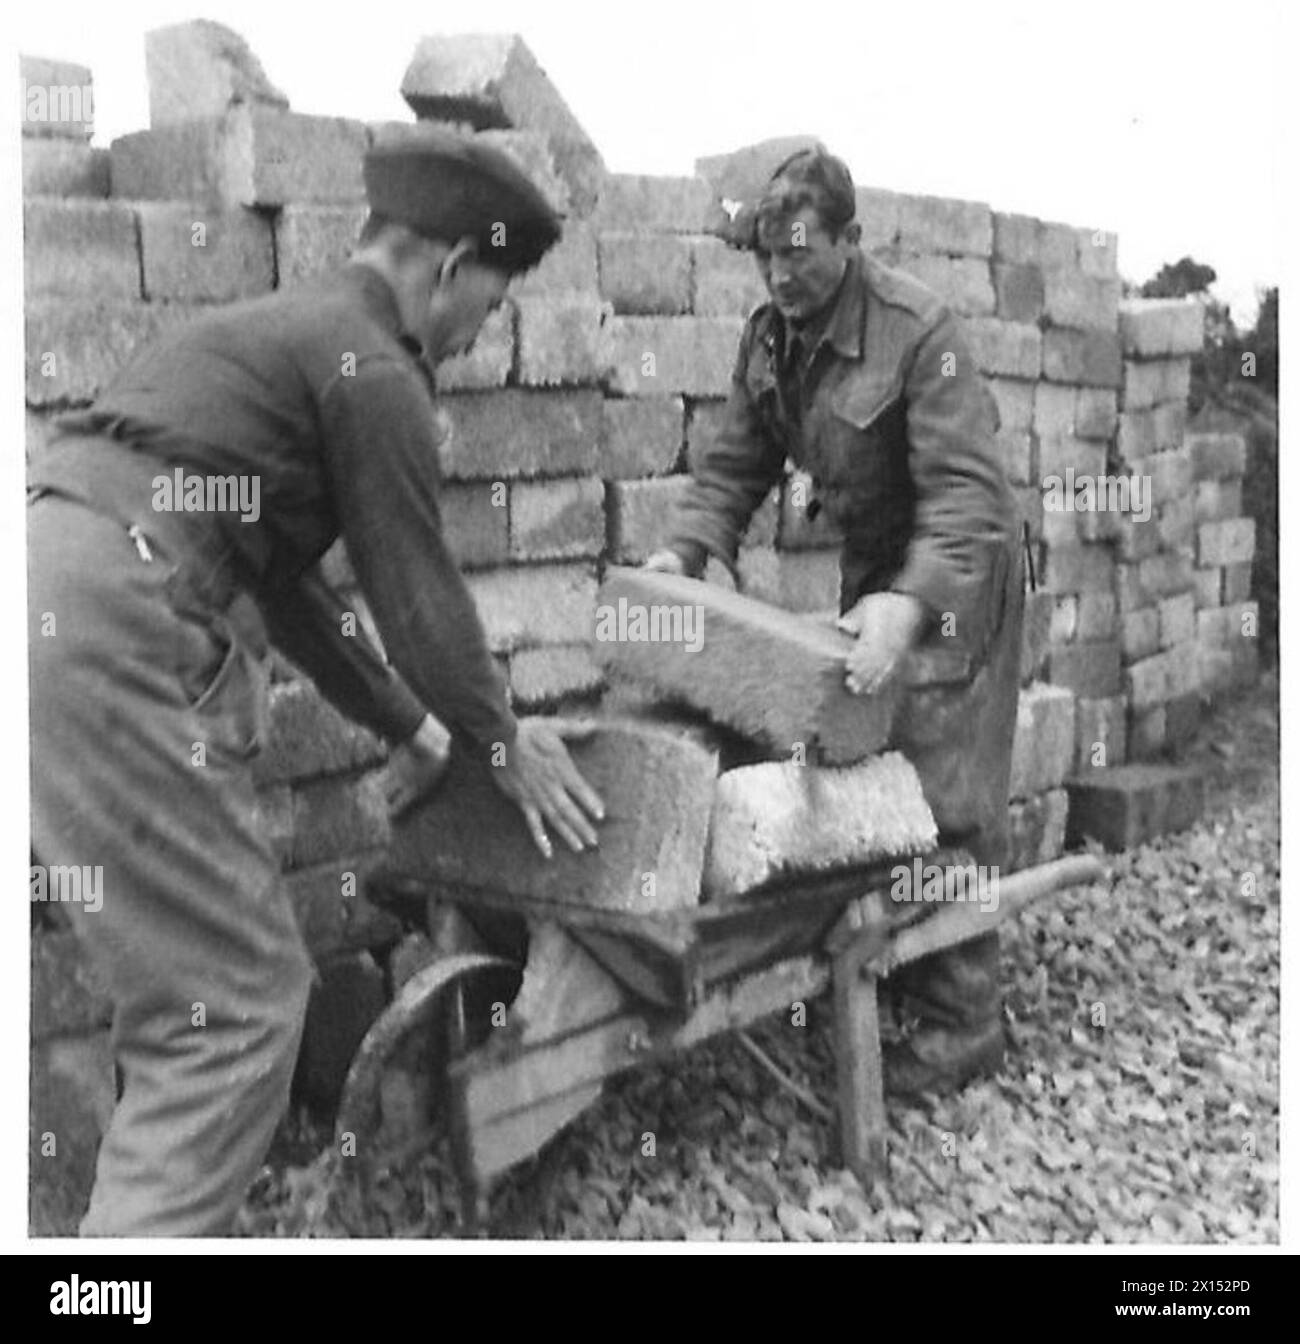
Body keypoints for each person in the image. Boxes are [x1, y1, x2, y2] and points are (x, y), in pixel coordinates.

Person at [28, 127, 604, 1236]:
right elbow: (420, 602)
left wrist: (414, 731)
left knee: (175, 987)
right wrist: (500, 741)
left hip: (52, 577)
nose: (474, 341)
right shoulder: (375, 371)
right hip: (114, 613)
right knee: (235, 1012)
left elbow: (290, 591)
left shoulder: (271, 333)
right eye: (483, 311)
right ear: (444, 269)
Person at [645, 145, 1025, 1097]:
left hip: (953, 577)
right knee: (868, 767)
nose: (780, 273)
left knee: (946, 789)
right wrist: (682, 551)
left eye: (800, 253)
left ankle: (962, 1019)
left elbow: (968, 499)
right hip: (874, 574)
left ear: (852, 241)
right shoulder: (770, 338)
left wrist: (907, 604)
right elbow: (733, 467)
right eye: (765, 256)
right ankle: (891, 959)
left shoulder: (920, 333)